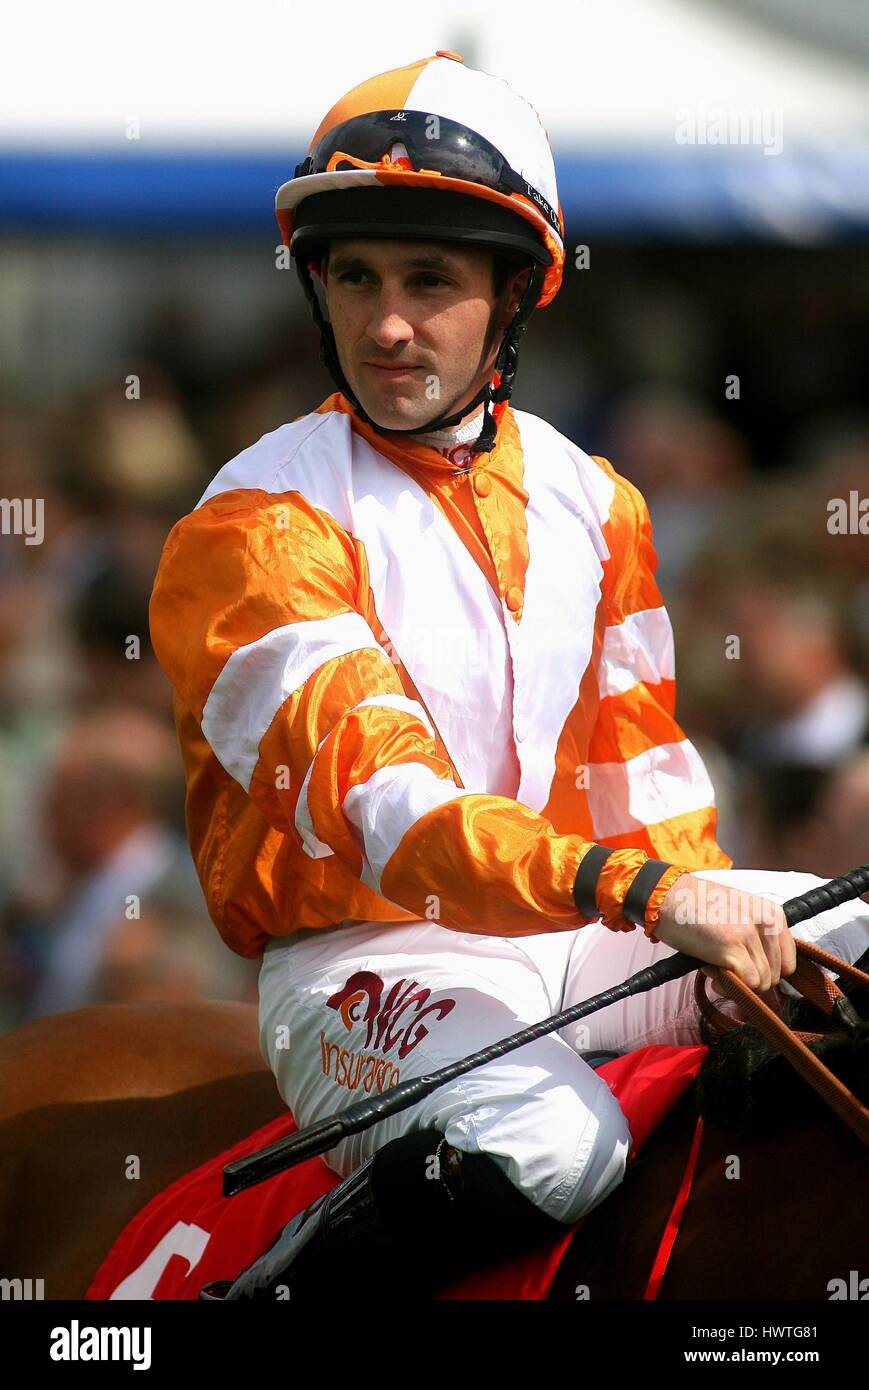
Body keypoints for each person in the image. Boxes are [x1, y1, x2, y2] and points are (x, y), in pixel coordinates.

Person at [148, 52, 869, 1300]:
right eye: (356, 279)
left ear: (513, 297)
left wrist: (692, 907)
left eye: (429, 281)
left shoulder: (596, 497)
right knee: (549, 1143)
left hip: (578, 933)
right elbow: (396, 812)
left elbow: (637, 780)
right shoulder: (253, 524)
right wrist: (646, 896)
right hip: (364, 969)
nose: (385, 324)